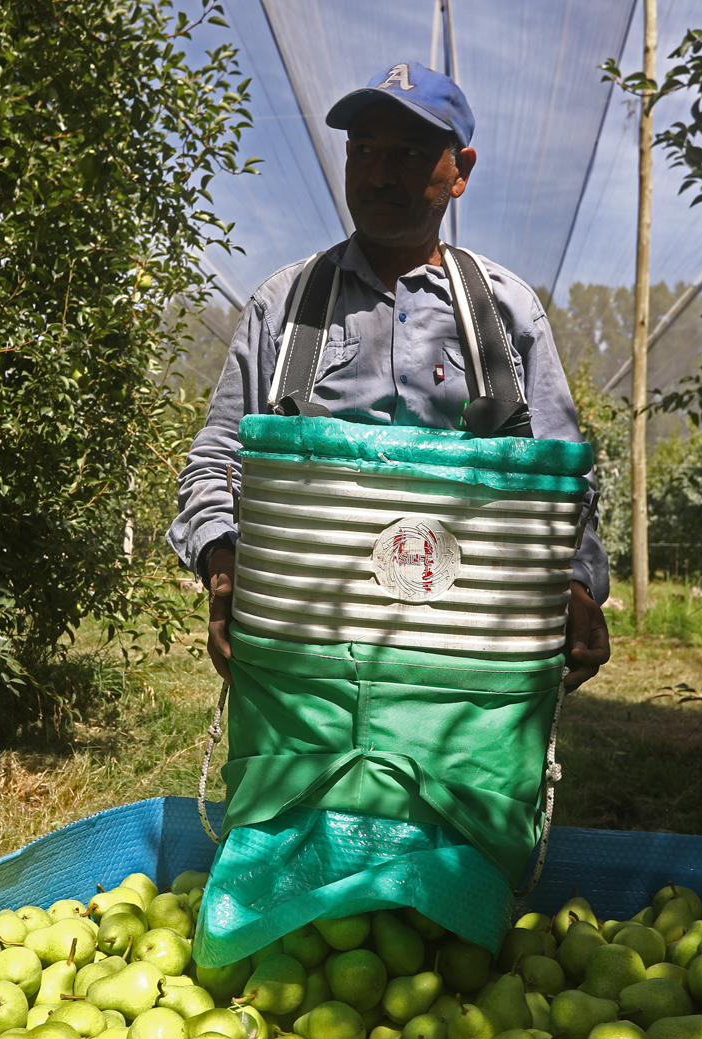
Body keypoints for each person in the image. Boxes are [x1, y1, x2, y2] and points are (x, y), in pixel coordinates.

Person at [169, 61, 610, 690]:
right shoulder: (284, 306)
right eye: (364, 149)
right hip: (307, 648)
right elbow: (219, 455)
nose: (378, 173)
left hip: (470, 655)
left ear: (460, 171)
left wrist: (575, 582)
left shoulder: (506, 312)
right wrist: (222, 561)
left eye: (408, 153)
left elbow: (563, 478)